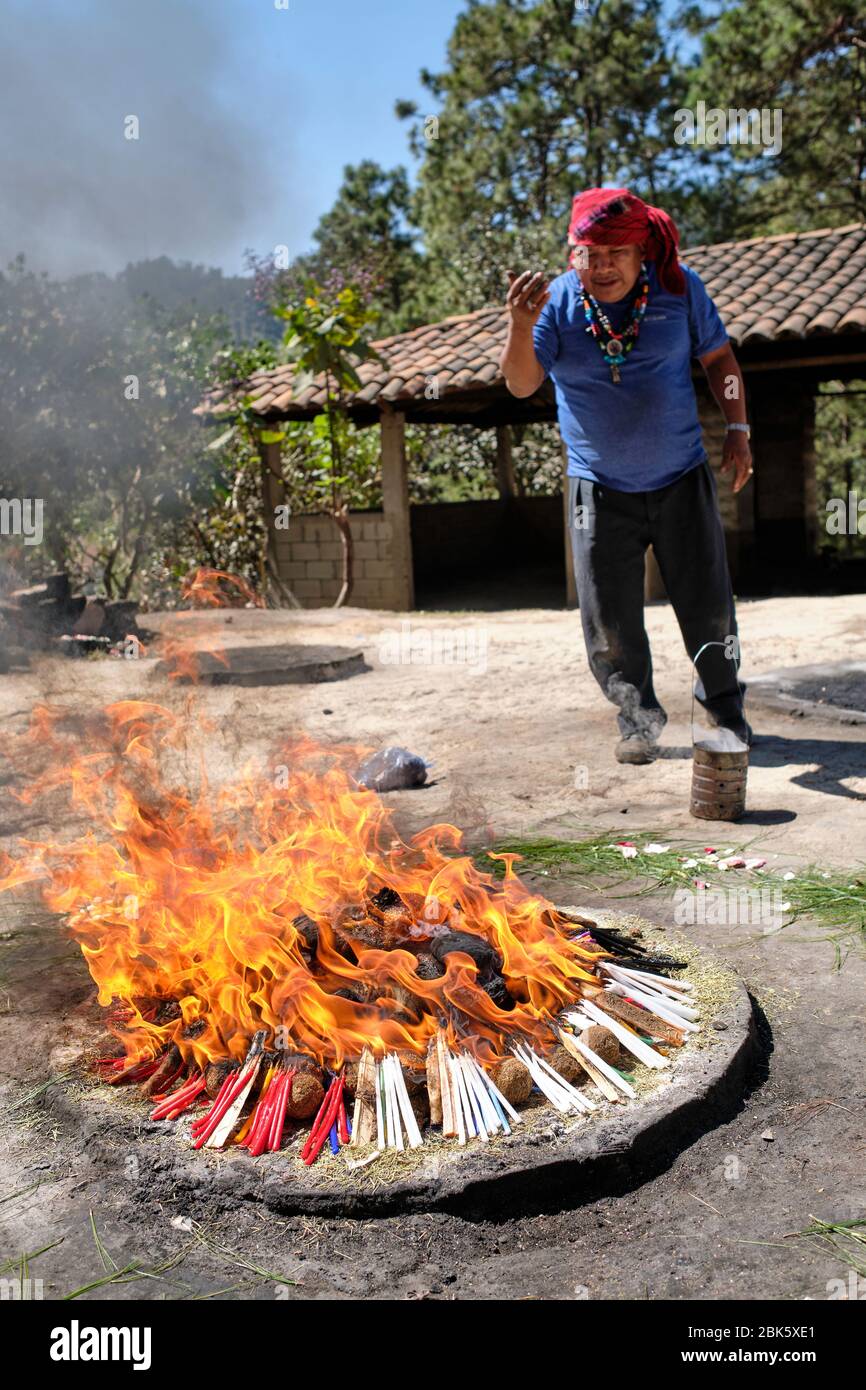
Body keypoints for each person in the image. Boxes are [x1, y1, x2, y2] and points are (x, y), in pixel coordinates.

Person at [500, 186, 753, 764]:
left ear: (643, 249)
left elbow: (720, 361)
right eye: (589, 252)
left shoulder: (678, 289)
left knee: (707, 601)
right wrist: (519, 324)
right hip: (596, 486)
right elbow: (519, 383)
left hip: (680, 476)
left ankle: (725, 708)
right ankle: (637, 718)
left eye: (616, 251)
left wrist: (738, 430)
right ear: (573, 256)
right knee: (608, 618)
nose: (602, 265)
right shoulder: (558, 305)